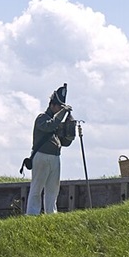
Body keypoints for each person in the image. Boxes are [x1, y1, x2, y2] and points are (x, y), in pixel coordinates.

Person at [26, 83, 77, 215]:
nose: (60, 110)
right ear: (52, 105)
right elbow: (49, 126)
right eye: (59, 107)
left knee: (53, 188)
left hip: (55, 157)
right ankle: (32, 214)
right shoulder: (42, 118)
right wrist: (63, 113)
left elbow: (63, 142)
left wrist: (70, 135)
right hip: (41, 156)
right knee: (37, 187)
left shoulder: (56, 121)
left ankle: (51, 213)